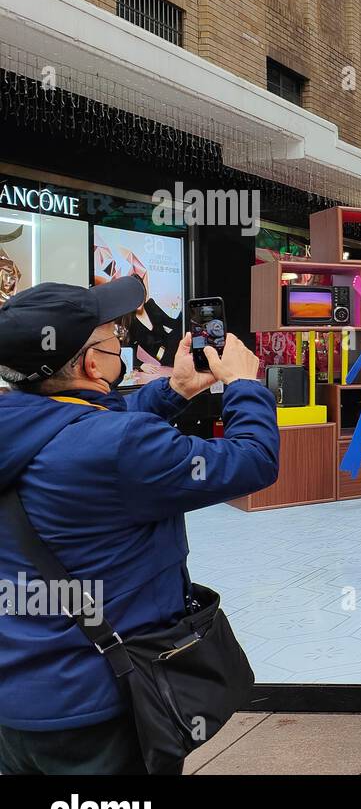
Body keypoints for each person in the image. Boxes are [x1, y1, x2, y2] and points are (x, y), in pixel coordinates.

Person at [0, 276, 279, 774]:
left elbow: (81, 426)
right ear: (90, 363)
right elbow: (253, 461)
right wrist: (245, 386)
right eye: (115, 337)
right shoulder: (117, 445)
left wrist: (174, 392)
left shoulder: (22, 424)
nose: (123, 343)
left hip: (18, 705)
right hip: (99, 708)